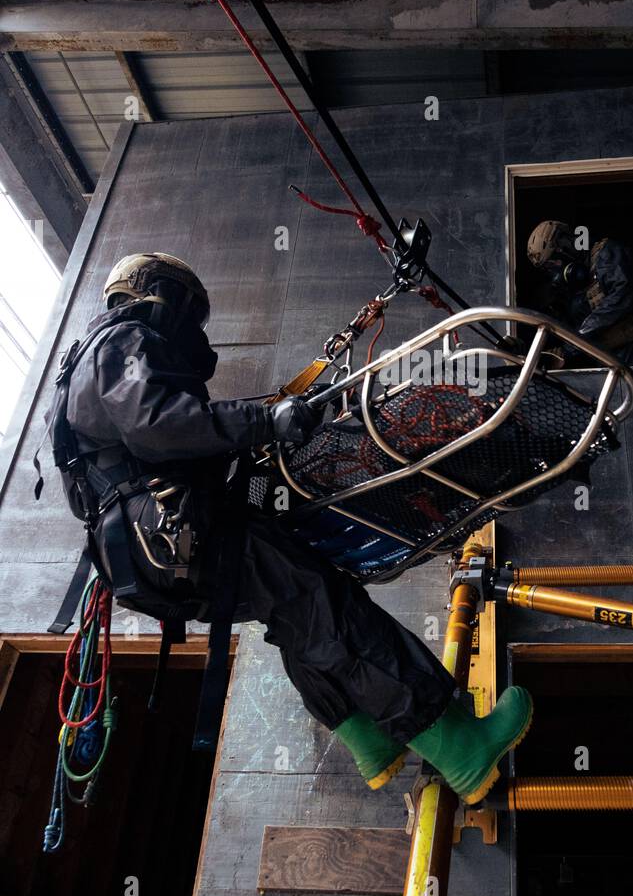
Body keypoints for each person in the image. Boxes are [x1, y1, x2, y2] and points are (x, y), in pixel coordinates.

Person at [47, 253, 531, 804]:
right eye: (189, 309)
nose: (192, 326)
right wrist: (263, 422)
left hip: (145, 557)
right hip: (172, 530)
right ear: (152, 290)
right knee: (322, 604)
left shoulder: (78, 369)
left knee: (299, 613)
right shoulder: (121, 340)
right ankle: (457, 741)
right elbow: (160, 425)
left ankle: (368, 737)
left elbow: (141, 444)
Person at [526, 220, 633, 366]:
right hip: (608, 357)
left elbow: (623, 296)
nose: (556, 270)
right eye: (549, 267)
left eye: (554, 262)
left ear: (566, 245)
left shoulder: (606, 254)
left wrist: (575, 342)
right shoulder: (573, 286)